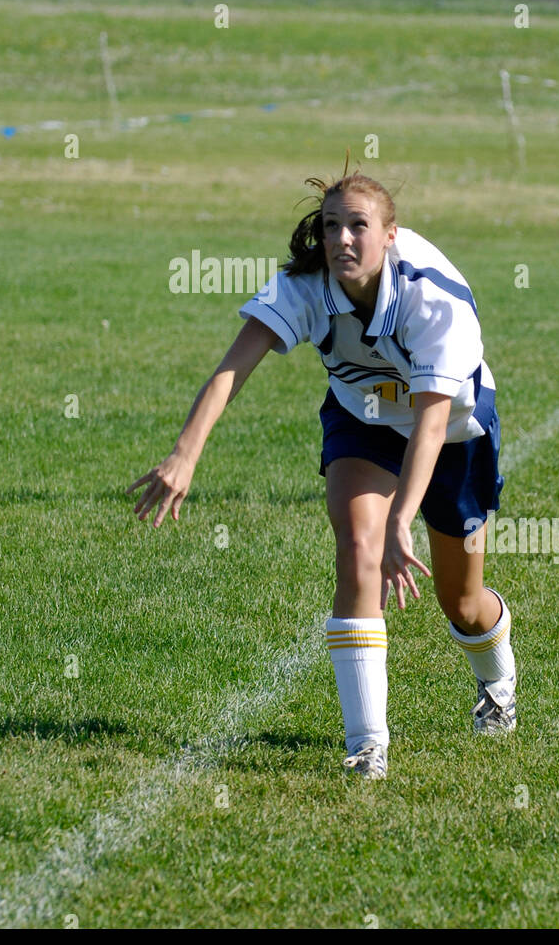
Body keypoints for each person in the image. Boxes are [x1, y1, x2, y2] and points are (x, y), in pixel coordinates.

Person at [125, 165, 516, 780]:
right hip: (361, 417)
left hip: (451, 431)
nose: (342, 240)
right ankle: (367, 747)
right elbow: (234, 367)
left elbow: (432, 425)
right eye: (332, 226)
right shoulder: (306, 286)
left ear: (391, 234)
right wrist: (184, 454)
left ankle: (498, 686)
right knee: (358, 545)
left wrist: (402, 521)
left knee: (461, 601)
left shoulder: (432, 297)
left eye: (359, 226)